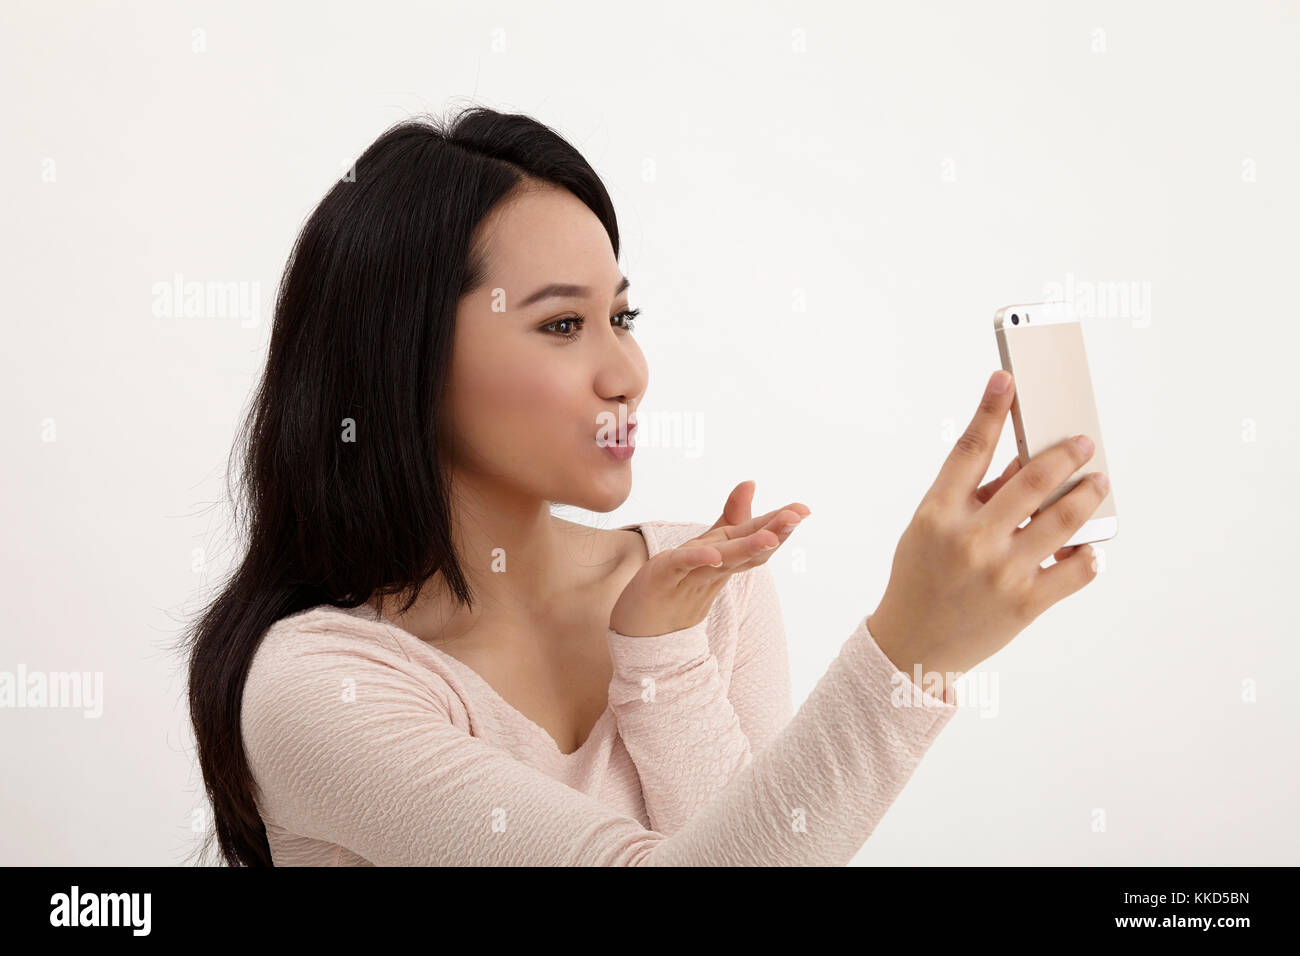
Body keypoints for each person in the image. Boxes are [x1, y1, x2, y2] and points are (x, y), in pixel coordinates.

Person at [183, 106, 1107, 866]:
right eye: (561, 325)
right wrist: (910, 653)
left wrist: (664, 661)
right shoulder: (319, 685)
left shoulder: (705, 585)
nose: (626, 371)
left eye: (622, 315)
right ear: (406, 357)